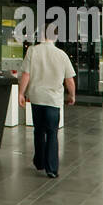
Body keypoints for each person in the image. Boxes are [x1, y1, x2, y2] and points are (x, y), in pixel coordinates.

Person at [17, 31, 76, 178]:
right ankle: (52, 168)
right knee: (52, 133)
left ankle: (39, 162)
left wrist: (21, 93)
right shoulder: (62, 55)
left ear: (42, 36)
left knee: (38, 130)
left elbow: (26, 74)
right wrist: (72, 95)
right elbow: (69, 79)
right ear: (55, 37)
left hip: (37, 98)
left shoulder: (33, 51)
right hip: (53, 100)